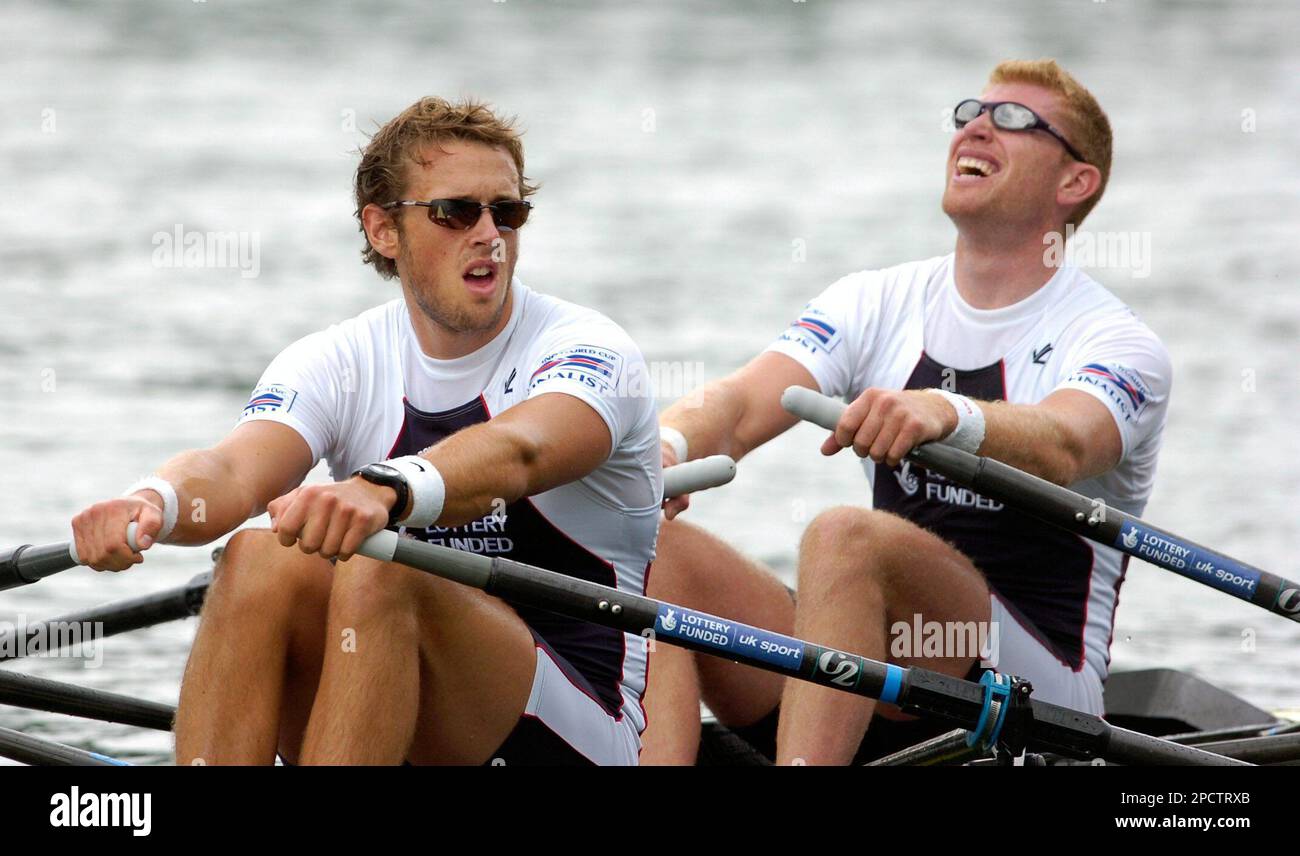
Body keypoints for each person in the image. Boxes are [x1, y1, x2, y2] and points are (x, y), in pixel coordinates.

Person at [70, 96, 662, 765]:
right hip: (404, 708)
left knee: (385, 568)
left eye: (509, 210)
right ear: (383, 230)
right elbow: (233, 473)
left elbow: (522, 451)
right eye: (456, 211)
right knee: (258, 556)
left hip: (573, 729)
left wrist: (385, 488)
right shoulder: (339, 358)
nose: (490, 233)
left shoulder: (589, 348)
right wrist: (153, 500)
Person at [641, 59, 1172, 765]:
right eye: (969, 113)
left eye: (1014, 119)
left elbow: (1065, 443)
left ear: (1075, 183)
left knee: (845, 536)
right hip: (881, 677)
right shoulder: (875, 300)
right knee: (655, 542)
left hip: (1023, 701)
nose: (977, 127)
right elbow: (738, 404)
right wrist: (668, 446)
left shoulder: (1117, 342)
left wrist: (949, 413)